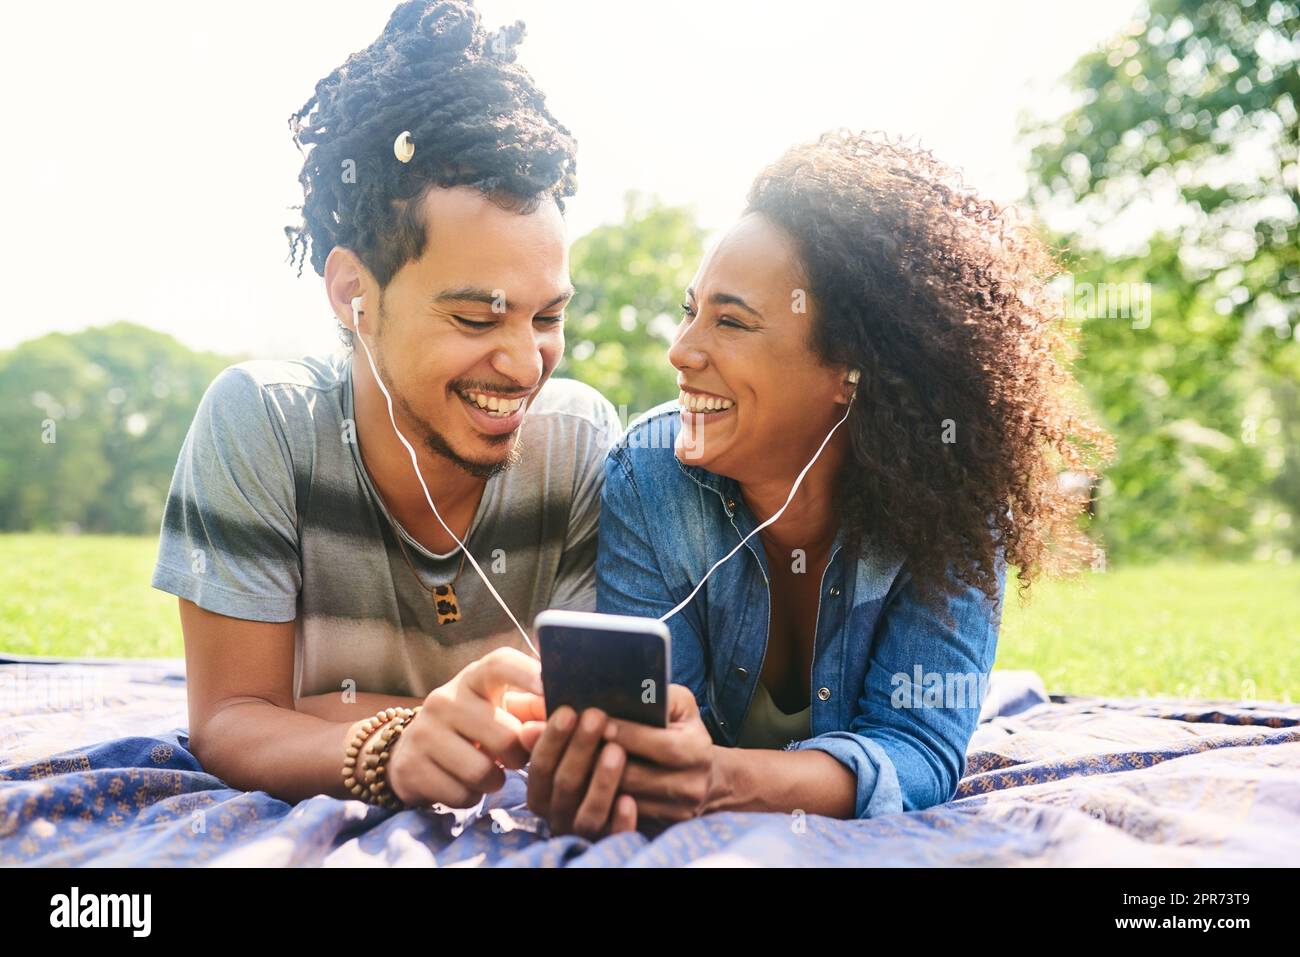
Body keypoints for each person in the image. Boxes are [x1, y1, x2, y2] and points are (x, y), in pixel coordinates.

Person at [518, 130, 1112, 838]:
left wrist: (718, 777)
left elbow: (918, 750)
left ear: (849, 370)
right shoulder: (648, 477)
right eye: (690, 310)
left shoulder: (949, 504)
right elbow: (656, 735)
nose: (680, 351)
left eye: (731, 321)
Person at [151, 0, 625, 820]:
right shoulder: (264, 425)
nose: (523, 363)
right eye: (476, 318)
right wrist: (392, 744)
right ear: (353, 293)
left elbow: (572, 724)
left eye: (547, 317)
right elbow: (229, 718)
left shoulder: (579, 445)